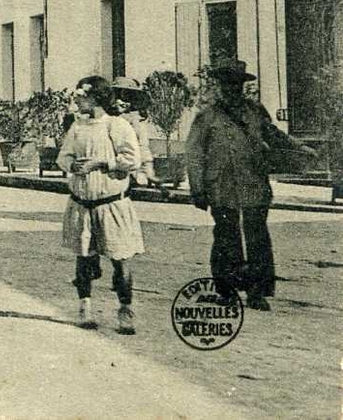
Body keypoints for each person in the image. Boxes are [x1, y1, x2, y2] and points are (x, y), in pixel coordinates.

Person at [186, 59, 317, 311]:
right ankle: (227, 289)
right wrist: (198, 189)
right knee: (226, 238)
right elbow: (194, 154)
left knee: (258, 238)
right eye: (227, 84)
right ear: (220, 86)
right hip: (221, 187)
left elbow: (274, 134)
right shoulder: (207, 117)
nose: (232, 89)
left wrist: (299, 147)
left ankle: (257, 291)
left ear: (242, 86)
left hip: (253, 183)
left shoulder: (255, 112)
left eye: (237, 84)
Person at [57, 75, 144, 333]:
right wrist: (73, 165)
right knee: (84, 259)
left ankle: (125, 310)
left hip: (112, 206)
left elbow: (132, 159)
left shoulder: (116, 126)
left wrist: (101, 164)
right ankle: (85, 307)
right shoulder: (77, 127)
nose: (77, 100)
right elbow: (64, 157)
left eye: (81, 96)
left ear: (94, 97)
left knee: (120, 259)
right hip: (83, 204)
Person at [109, 77, 156, 190]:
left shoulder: (136, 121)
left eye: (128, 98)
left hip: (127, 170)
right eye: (118, 96)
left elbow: (142, 147)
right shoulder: (105, 119)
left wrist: (147, 170)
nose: (123, 102)